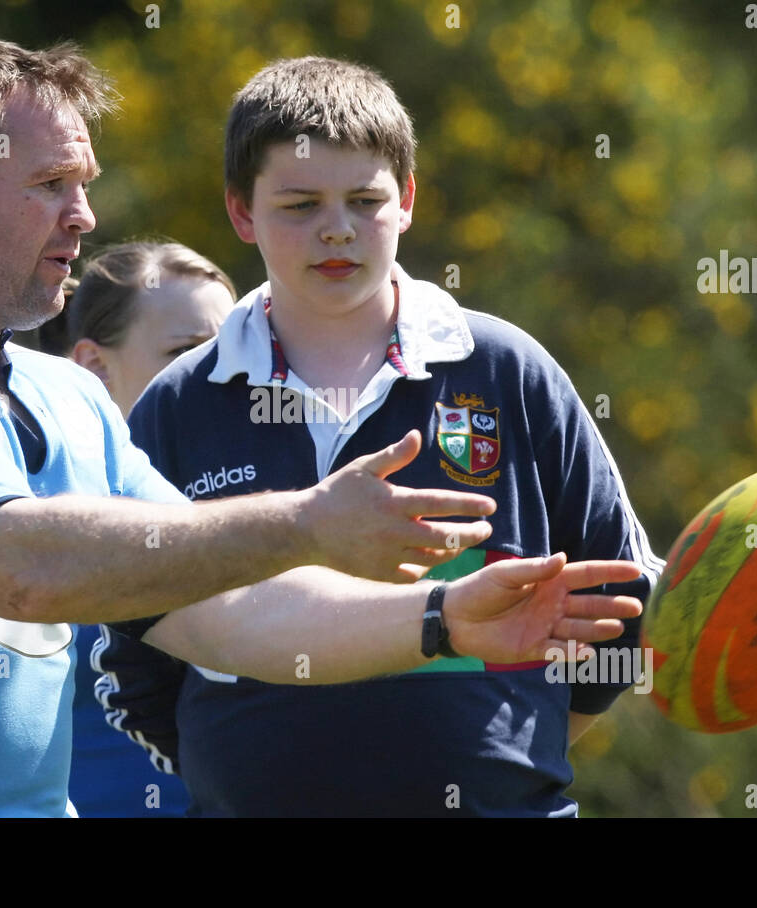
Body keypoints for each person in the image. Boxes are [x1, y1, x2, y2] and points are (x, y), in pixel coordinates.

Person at [0, 32, 643, 817]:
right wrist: (304, 522)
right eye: (52, 184)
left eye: (86, 183)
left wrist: (439, 619)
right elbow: (18, 568)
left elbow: (223, 609)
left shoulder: (62, 395)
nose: (86, 214)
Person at [99, 56, 666, 817]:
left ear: (405, 201)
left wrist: (512, 758)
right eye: (299, 204)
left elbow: (619, 598)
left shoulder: (507, 370)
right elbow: (130, 654)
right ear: (241, 211)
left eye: (364, 200)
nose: (336, 228)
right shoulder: (176, 406)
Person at [39, 242, 236, 816]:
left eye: (230, 351)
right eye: (184, 352)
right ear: (93, 366)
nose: (215, 375)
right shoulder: (32, 510)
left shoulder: (266, 503)